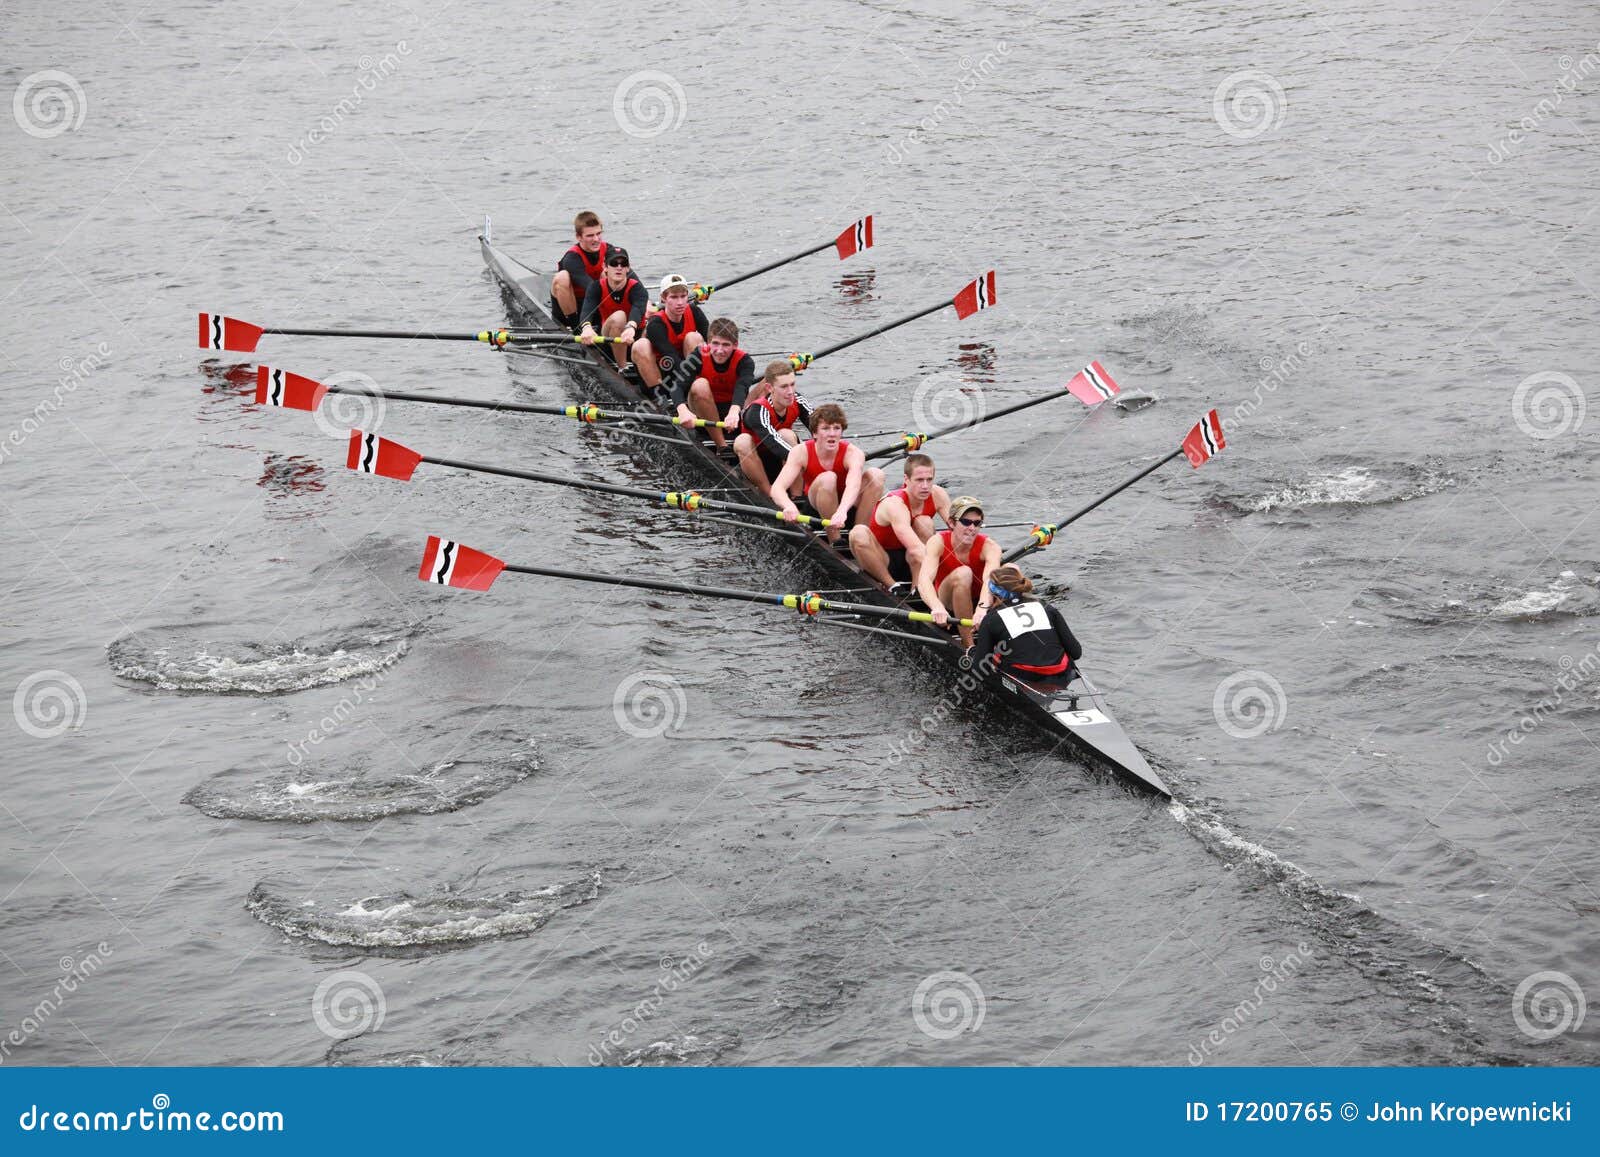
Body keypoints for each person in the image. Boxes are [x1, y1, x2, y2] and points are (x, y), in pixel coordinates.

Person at [770, 403, 883, 543]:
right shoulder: (800, 452)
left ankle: (859, 535)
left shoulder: (853, 453)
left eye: (837, 428)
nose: (832, 433)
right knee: (828, 478)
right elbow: (777, 488)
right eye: (825, 428)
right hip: (816, 507)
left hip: (846, 506)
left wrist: (841, 511)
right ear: (815, 433)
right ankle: (835, 540)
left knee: (876, 475)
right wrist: (788, 506)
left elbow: (853, 484)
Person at [847, 453, 950, 591]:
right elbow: (915, 548)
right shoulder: (894, 504)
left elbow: (959, 530)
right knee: (858, 532)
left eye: (929, 479)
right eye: (919, 480)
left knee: (925, 522)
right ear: (906, 479)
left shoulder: (938, 494)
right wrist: (948, 568)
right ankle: (892, 586)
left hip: (913, 561)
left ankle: (918, 588)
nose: (925, 486)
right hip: (883, 560)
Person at [969, 565, 1082, 681]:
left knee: (997, 654)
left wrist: (973, 654)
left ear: (993, 593)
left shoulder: (990, 619)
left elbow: (979, 670)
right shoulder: (1046, 607)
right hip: (1061, 671)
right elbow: (1076, 652)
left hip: (1024, 675)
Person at [916, 495, 1001, 648]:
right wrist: (936, 606)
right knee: (964, 573)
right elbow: (923, 581)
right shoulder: (937, 541)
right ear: (951, 523)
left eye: (977, 523)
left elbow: (990, 581)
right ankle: (969, 645)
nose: (972, 528)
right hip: (946, 602)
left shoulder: (991, 547)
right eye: (966, 522)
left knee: (1012, 570)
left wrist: (982, 609)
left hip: (979, 602)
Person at [666, 317, 754, 450]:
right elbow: (676, 385)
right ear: (708, 343)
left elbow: (742, 388)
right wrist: (682, 410)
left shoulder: (745, 361)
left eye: (726, 345)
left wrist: (734, 412)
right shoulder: (698, 355)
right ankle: (722, 446)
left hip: (732, 412)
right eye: (715, 343)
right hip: (703, 410)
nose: (719, 350)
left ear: (735, 345)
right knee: (699, 384)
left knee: (771, 381)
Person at [735, 361, 813, 491]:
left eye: (792, 385)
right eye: (784, 387)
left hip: (784, 459)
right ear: (770, 388)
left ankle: (797, 495)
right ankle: (768, 493)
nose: (790, 392)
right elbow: (772, 441)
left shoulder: (798, 400)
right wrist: (805, 462)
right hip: (758, 460)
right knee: (742, 441)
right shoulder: (757, 411)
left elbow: (820, 427)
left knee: (786, 434)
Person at [634, 274, 708, 391]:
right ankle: (659, 398)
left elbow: (711, 341)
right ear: (663, 298)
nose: (680, 302)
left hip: (686, 370)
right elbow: (671, 356)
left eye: (683, 296)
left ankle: (696, 388)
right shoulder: (656, 324)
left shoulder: (694, 311)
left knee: (694, 337)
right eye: (674, 297)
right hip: (663, 373)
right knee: (641, 345)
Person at [577, 247, 646, 369]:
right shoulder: (595, 287)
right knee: (619, 316)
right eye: (614, 263)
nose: (619, 267)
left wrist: (630, 327)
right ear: (605, 266)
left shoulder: (638, 289)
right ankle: (622, 368)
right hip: (609, 338)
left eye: (623, 264)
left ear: (628, 268)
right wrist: (587, 328)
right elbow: (587, 309)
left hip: (633, 335)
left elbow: (638, 309)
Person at [552, 211, 608, 328]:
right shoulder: (572, 258)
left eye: (598, 234)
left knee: (614, 269)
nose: (596, 239)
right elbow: (591, 288)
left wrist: (643, 303)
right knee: (562, 277)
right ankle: (575, 327)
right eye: (590, 235)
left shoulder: (609, 250)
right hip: (570, 309)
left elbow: (629, 274)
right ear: (578, 237)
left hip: (594, 304)